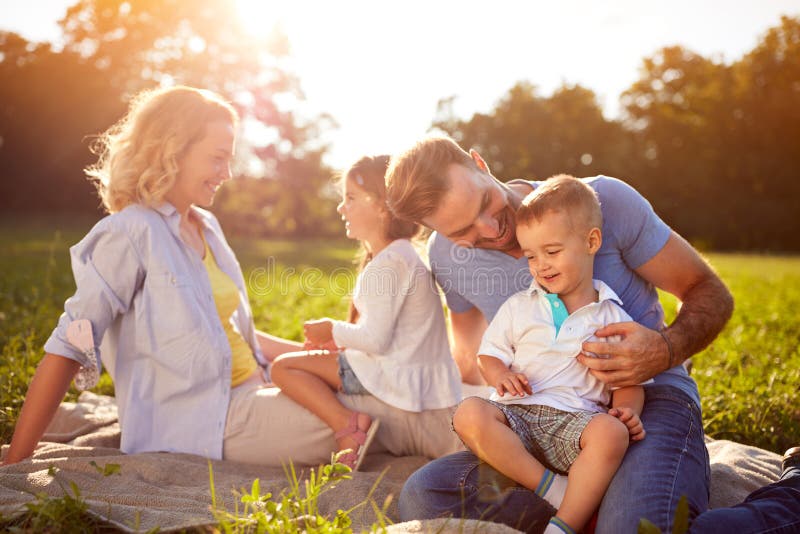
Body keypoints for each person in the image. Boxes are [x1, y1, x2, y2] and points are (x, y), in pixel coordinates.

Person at [2, 88, 463, 469]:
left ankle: (485, 423)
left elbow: (231, 335)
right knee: (378, 409)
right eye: (217, 158)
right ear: (172, 151)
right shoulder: (129, 233)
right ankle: (478, 437)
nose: (227, 173)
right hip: (209, 419)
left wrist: (321, 352)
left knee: (379, 388)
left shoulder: (206, 227)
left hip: (252, 389)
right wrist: (18, 458)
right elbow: (70, 343)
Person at [384, 135, 731, 532]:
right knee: (425, 496)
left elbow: (709, 291)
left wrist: (666, 348)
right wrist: (483, 425)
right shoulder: (447, 256)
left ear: (480, 164)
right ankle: (579, 506)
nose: (491, 229)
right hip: (536, 417)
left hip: (644, 403)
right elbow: (469, 358)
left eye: (484, 204)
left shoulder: (601, 203)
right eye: (463, 230)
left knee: (636, 528)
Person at [453, 175, 646, 534]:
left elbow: (629, 381)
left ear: (591, 242)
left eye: (552, 252)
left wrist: (628, 410)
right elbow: (488, 356)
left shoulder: (611, 315)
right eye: (530, 256)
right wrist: (500, 376)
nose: (541, 265)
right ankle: (555, 490)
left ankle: (563, 525)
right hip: (517, 418)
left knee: (612, 434)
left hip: (574, 424)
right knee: (468, 412)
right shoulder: (519, 306)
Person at [270, 155, 462, 470]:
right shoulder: (401, 256)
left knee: (282, 369)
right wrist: (343, 342)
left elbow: (376, 340)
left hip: (390, 375)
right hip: (407, 373)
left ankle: (348, 425)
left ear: (381, 206)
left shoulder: (388, 264)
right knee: (303, 365)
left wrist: (330, 329)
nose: (341, 207)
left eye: (350, 198)